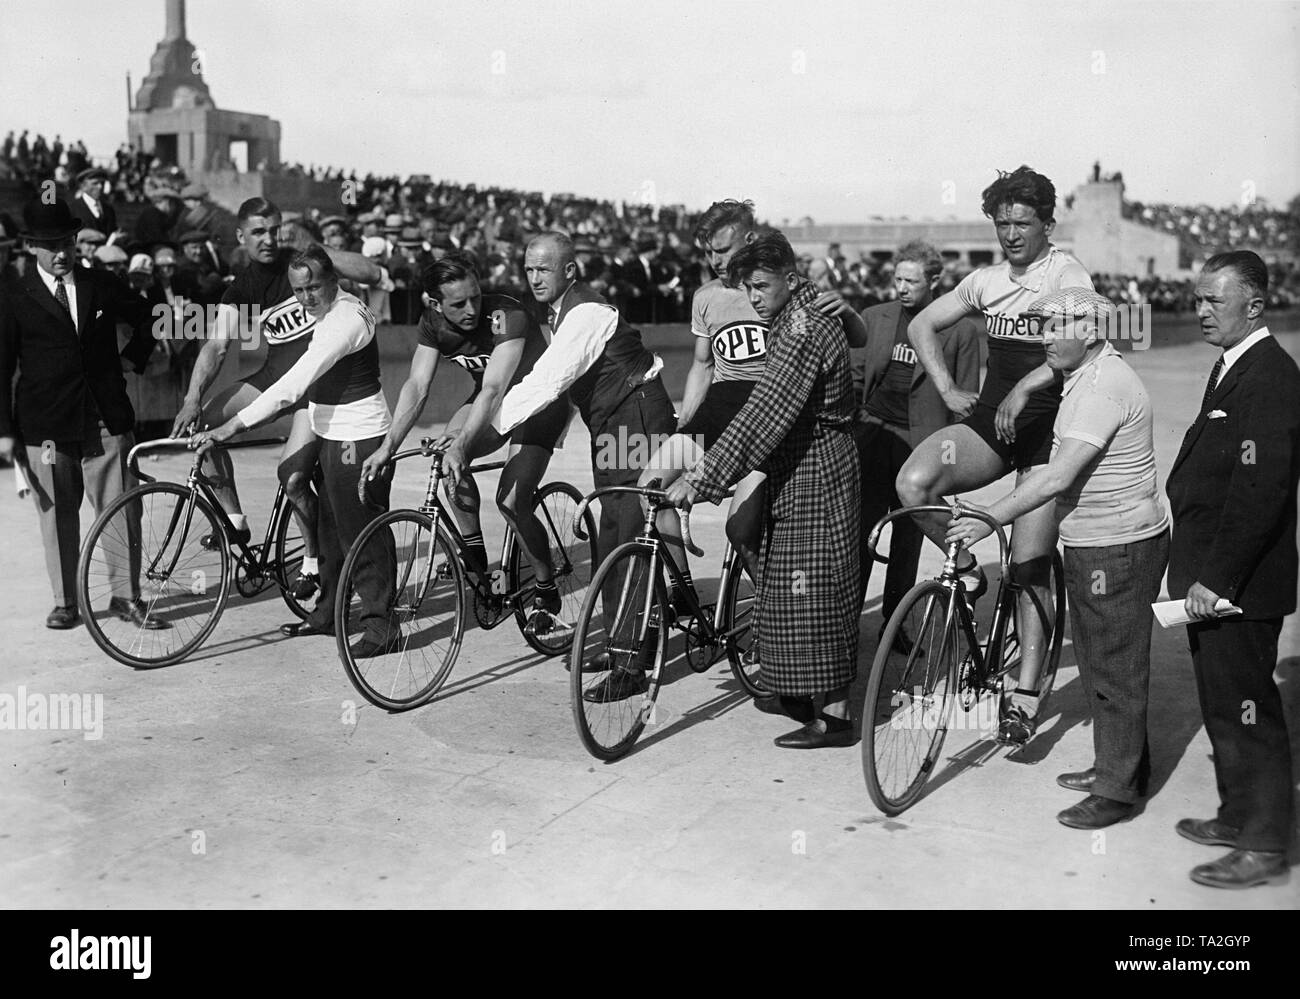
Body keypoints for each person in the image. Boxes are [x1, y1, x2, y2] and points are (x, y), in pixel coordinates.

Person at [946, 288, 1170, 830]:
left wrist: (989, 517)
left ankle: (1117, 791)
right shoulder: (1087, 377)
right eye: (1041, 326)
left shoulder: (1103, 387)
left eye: (1054, 327)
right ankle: (1120, 767)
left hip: (1118, 542)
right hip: (1100, 539)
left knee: (1115, 666)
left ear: (1091, 331)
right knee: (1098, 657)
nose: (1044, 336)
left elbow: (1058, 474)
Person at [897, 165, 1094, 747]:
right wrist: (949, 389)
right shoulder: (985, 280)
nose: (1012, 234)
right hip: (991, 425)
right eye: (1002, 223)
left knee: (1030, 565)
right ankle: (960, 563)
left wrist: (1026, 385)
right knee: (914, 482)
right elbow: (923, 327)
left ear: (1047, 224)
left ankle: (1027, 693)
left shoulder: (1066, 271)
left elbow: (1080, 342)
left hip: (1048, 434)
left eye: (1023, 223)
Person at [667, 232, 860, 749]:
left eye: (760, 285)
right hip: (797, 466)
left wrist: (700, 477)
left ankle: (837, 716)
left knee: (818, 589)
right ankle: (798, 693)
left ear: (791, 280)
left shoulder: (799, 330)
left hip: (819, 470)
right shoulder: (789, 321)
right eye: (746, 287)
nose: (752, 297)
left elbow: (764, 415)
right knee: (784, 582)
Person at [189, 245, 398, 657]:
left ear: (334, 282)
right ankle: (327, 612)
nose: (306, 298)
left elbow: (292, 385)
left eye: (314, 288)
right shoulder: (323, 313)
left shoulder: (345, 319)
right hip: (330, 429)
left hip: (358, 434)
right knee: (328, 525)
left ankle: (381, 625)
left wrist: (232, 425)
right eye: (299, 290)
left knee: (361, 529)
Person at [170, 197, 382, 601]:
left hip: (313, 387)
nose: (268, 240)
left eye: (273, 230)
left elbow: (370, 272)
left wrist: (315, 245)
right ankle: (235, 519)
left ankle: (312, 563)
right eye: (257, 233)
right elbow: (217, 345)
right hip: (274, 377)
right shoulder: (243, 286)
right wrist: (192, 396)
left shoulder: (305, 262)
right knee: (204, 424)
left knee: (293, 477)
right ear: (240, 236)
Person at [1166, 251, 1298, 889]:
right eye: (1197, 298)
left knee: (1248, 707)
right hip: (1215, 580)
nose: (1199, 310)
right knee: (1224, 707)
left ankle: (1265, 844)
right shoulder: (1232, 366)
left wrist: (1216, 578)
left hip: (1237, 586)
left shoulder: (1269, 375)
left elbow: (1260, 491)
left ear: (1254, 305)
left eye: (1213, 301)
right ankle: (1235, 814)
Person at [498, 231, 677, 694]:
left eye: (544, 269)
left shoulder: (587, 312)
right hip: (613, 421)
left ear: (569, 271)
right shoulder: (557, 311)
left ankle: (632, 665)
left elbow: (548, 382)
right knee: (616, 529)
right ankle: (625, 641)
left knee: (628, 530)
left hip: (636, 417)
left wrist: (483, 428)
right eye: (529, 269)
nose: (534, 278)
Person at [358, 253, 570, 620]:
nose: (472, 309)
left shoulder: (507, 314)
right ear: (435, 304)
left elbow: (493, 388)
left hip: (538, 403)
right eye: (459, 303)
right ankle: (475, 559)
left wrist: (462, 443)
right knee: (447, 461)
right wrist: (387, 446)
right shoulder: (432, 323)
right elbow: (417, 386)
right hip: (492, 400)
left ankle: (546, 587)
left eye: (475, 296)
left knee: (511, 501)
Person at [0, 199, 163, 629]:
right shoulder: (14, 296)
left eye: (67, 243)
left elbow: (152, 315)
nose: (61, 253)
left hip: (105, 417)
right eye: (50, 245)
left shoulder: (102, 283)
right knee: (56, 511)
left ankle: (126, 597)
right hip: (46, 427)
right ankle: (65, 601)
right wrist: (3, 431)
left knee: (121, 507)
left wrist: (133, 358)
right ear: (32, 246)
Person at [851, 240, 980, 631]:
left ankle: (895, 621)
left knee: (909, 537)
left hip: (920, 442)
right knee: (861, 533)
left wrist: (950, 459)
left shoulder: (959, 330)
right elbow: (855, 379)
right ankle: (848, 621)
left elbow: (966, 400)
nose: (902, 287)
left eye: (911, 281)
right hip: (873, 437)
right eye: (897, 279)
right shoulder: (874, 317)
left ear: (935, 281)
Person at [68, 167, 120, 240]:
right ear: (83, 186)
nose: (100, 186)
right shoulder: (72, 208)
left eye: (102, 183)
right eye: (95, 183)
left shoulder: (108, 209)